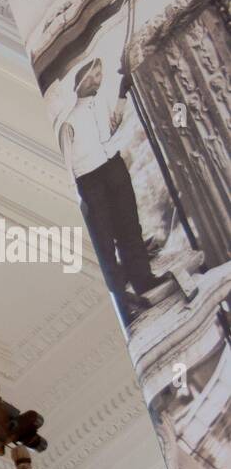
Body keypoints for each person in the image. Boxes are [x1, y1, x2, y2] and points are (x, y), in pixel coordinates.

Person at [59, 57, 166, 323]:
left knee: (130, 226)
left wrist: (122, 91)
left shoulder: (102, 104)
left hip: (113, 168)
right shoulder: (68, 122)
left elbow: (114, 122)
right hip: (90, 179)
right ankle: (121, 301)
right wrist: (77, 197)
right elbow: (68, 163)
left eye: (100, 74)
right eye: (93, 75)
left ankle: (143, 280)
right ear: (81, 80)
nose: (98, 79)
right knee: (104, 242)